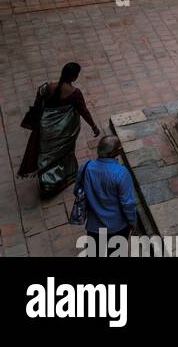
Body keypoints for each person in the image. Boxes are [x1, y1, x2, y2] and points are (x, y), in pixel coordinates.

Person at [18, 61, 100, 199]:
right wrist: (94, 126)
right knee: (63, 154)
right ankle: (59, 179)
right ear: (74, 77)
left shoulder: (48, 87)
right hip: (64, 132)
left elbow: (39, 98)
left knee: (46, 155)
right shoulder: (75, 94)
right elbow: (84, 111)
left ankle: (46, 183)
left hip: (46, 128)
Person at [77, 135, 137, 254]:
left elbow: (78, 192)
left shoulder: (85, 168)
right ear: (113, 153)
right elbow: (128, 204)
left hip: (94, 226)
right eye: (119, 149)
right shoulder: (121, 173)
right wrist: (132, 222)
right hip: (117, 227)